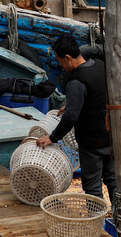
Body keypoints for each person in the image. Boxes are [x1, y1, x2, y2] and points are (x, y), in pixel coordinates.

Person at [35, 36, 116, 203]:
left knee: (93, 188)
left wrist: (52, 137)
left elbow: (71, 117)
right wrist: (74, 104)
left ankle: (96, 225)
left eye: (60, 62)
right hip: (112, 137)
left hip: (92, 145)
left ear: (67, 58)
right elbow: (98, 96)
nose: (61, 66)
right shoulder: (100, 66)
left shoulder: (76, 81)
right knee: (114, 181)